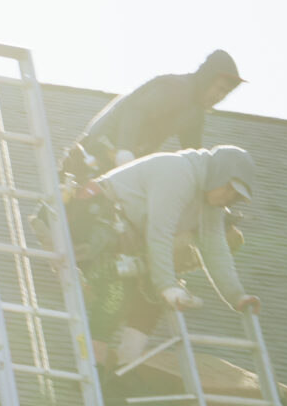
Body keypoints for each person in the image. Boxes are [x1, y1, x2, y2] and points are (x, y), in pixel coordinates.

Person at [88, 142, 258, 373]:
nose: (230, 198)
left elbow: (215, 251)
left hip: (126, 237)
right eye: (229, 189)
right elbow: (159, 231)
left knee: (151, 297)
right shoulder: (179, 172)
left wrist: (237, 296)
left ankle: (124, 368)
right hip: (94, 222)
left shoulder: (210, 204)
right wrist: (167, 285)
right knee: (116, 286)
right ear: (218, 174)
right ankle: (92, 366)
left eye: (236, 197)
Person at [60, 50, 243, 178]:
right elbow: (134, 111)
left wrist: (209, 185)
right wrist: (125, 149)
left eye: (225, 93)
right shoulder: (176, 88)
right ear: (207, 78)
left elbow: (193, 156)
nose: (220, 97)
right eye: (219, 88)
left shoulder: (195, 115)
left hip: (123, 160)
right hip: (99, 146)